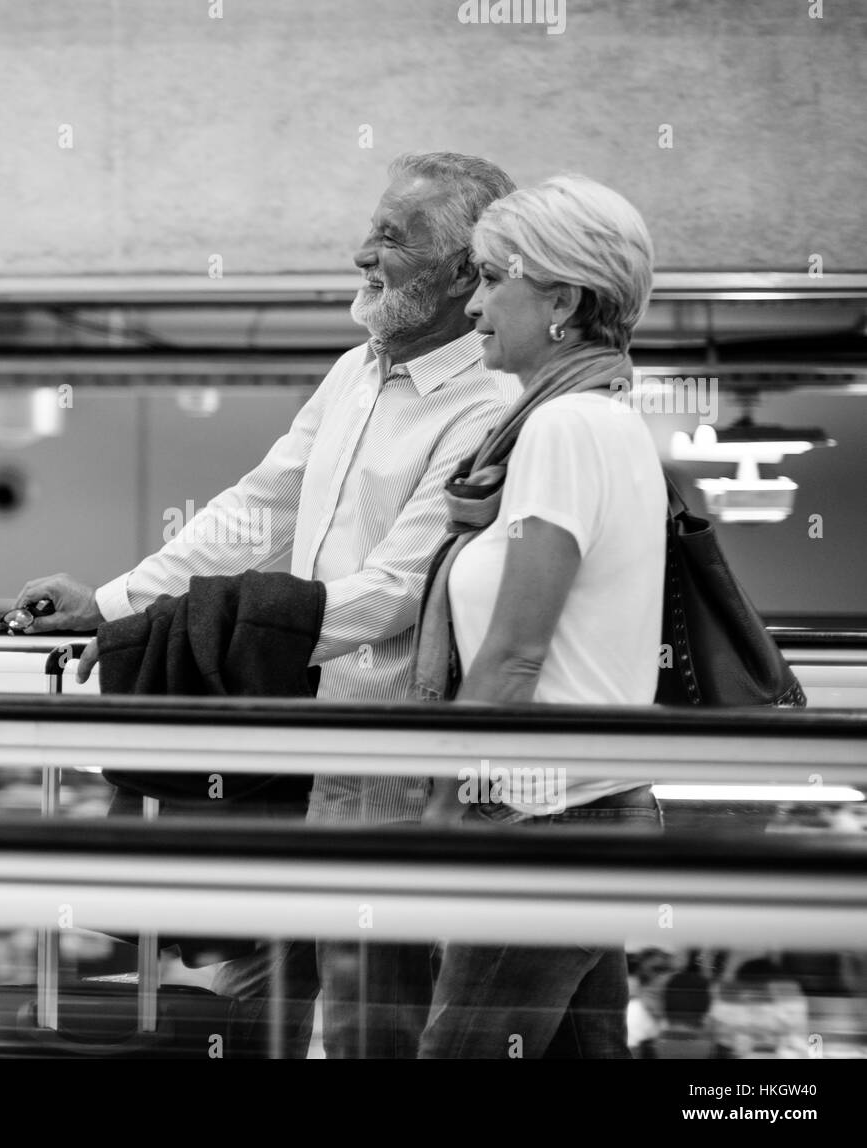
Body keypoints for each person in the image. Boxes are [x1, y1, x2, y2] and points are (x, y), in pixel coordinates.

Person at [5, 151, 520, 1058]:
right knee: (319, 1008)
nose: (363, 252)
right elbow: (258, 512)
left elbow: (396, 594)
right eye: (371, 229)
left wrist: (210, 627)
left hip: (403, 764)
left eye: (390, 238)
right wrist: (119, 604)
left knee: (378, 1017)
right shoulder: (357, 370)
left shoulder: (489, 404)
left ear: (461, 273)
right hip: (316, 747)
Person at [411, 174, 665, 1058]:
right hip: (586, 804)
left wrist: (446, 806)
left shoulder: (564, 430)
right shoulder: (599, 420)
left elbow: (516, 654)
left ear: (561, 296)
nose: (473, 304)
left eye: (490, 278)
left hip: (546, 816)